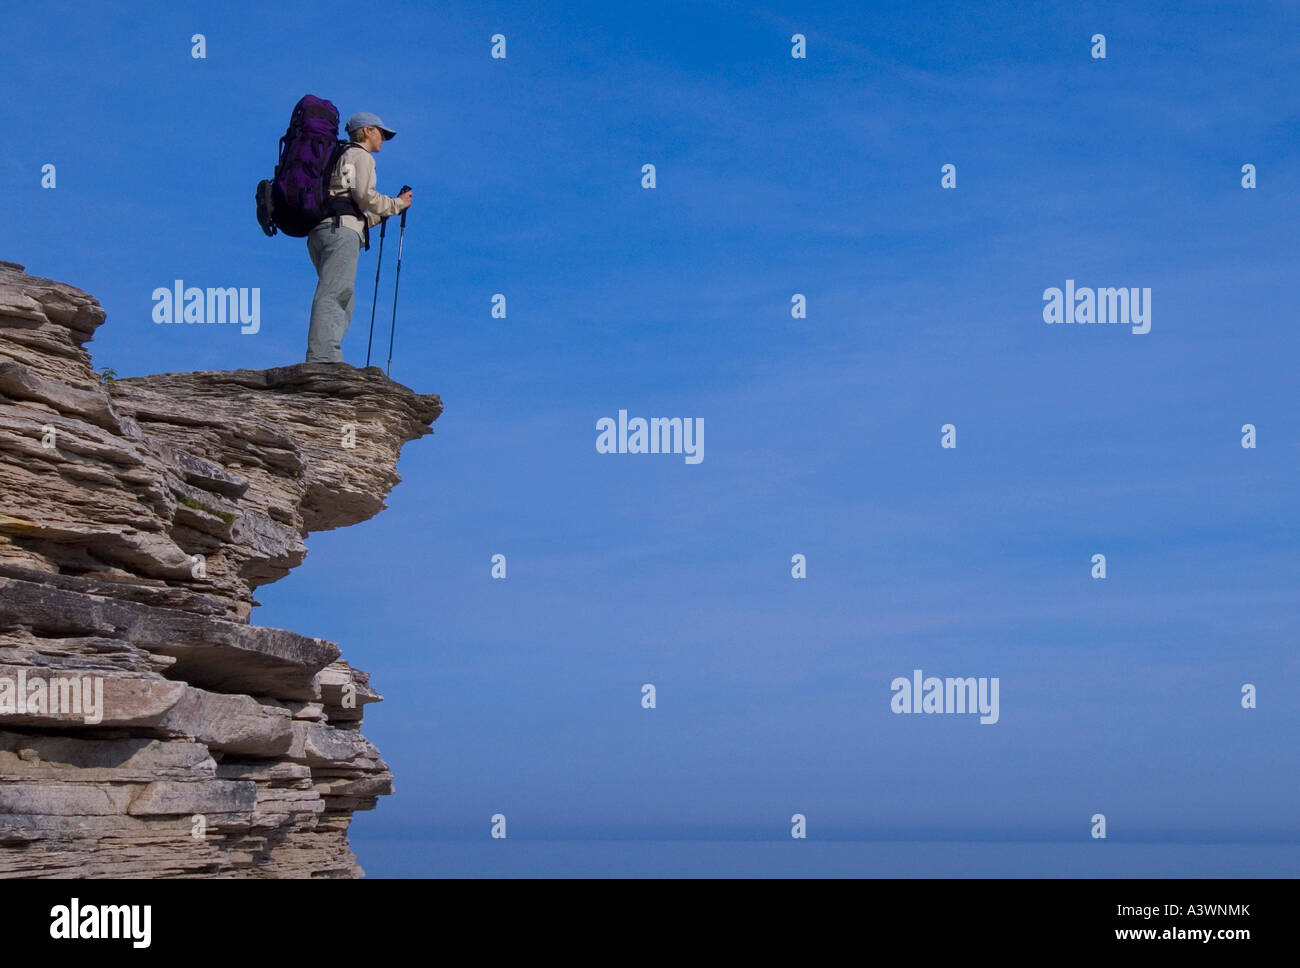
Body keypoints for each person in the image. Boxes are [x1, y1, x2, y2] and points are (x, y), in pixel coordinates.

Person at [305, 112, 413, 363]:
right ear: (366, 131)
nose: (383, 138)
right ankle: (322, 358)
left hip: (323, 231)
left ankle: (327, 352)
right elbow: (366, 198)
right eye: (381, 132)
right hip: (340, 232)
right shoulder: (359, 155)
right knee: (335, 293)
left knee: (344, 296)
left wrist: (389, 211)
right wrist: (395, 204)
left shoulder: (339, 157)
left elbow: (358, 216)